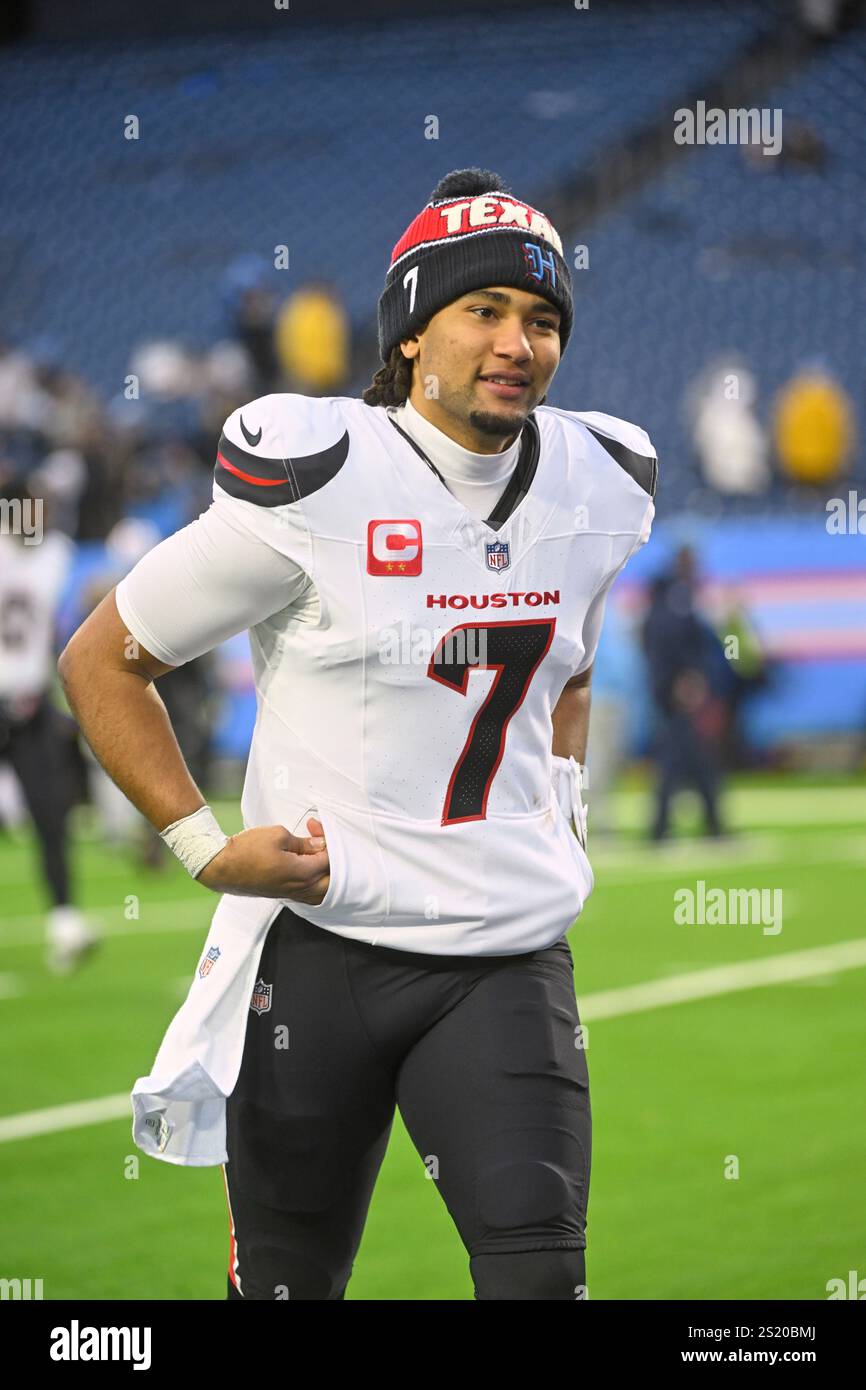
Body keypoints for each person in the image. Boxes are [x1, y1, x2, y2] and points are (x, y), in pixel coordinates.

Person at [58, 168, 657, 1301]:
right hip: (319, 950)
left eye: (541, 319)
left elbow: (563, 659)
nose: (515, 342)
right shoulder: (319, 476)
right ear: (411, 333)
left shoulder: (600, 478)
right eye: (482, 310)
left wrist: (559, 798)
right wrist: (198, 845)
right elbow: (106, 659)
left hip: (501, 951)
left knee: (538, 1283)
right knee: (287, 1288)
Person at [0, 477, 99, 971]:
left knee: (50, 815)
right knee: (41, 815)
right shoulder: (47, 553)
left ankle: (65, 920)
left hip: (32, 705)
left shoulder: (53, 552)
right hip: (18, 700)